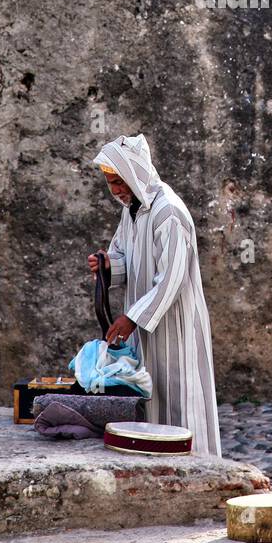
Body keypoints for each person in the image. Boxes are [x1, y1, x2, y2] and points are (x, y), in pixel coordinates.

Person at [88, 133, 222, 456]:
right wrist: (106, 266)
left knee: (184, 409)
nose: (116, 191)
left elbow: (170, 281)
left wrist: (132, 318)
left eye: (120, 182)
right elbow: (124, 258)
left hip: (177, 336)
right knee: (153, 412)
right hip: (147, 337)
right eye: (110, 183)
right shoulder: (131, 212)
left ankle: (202, 482)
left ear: (135, 174)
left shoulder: (169, 213)